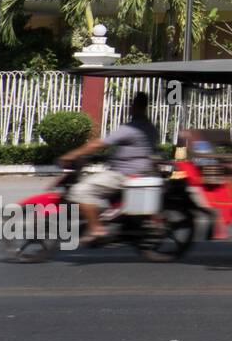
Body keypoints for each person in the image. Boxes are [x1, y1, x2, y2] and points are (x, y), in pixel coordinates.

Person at [58, 92, 159, 244]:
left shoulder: (131, 128)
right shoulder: (150, 128)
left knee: (80, 190)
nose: (129, 109)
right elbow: (132, 151)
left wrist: (71, 155)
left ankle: (96, 229)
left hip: (123, 175)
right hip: (136, 172)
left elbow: (98, 144)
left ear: (136, 107)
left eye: (131, 105)